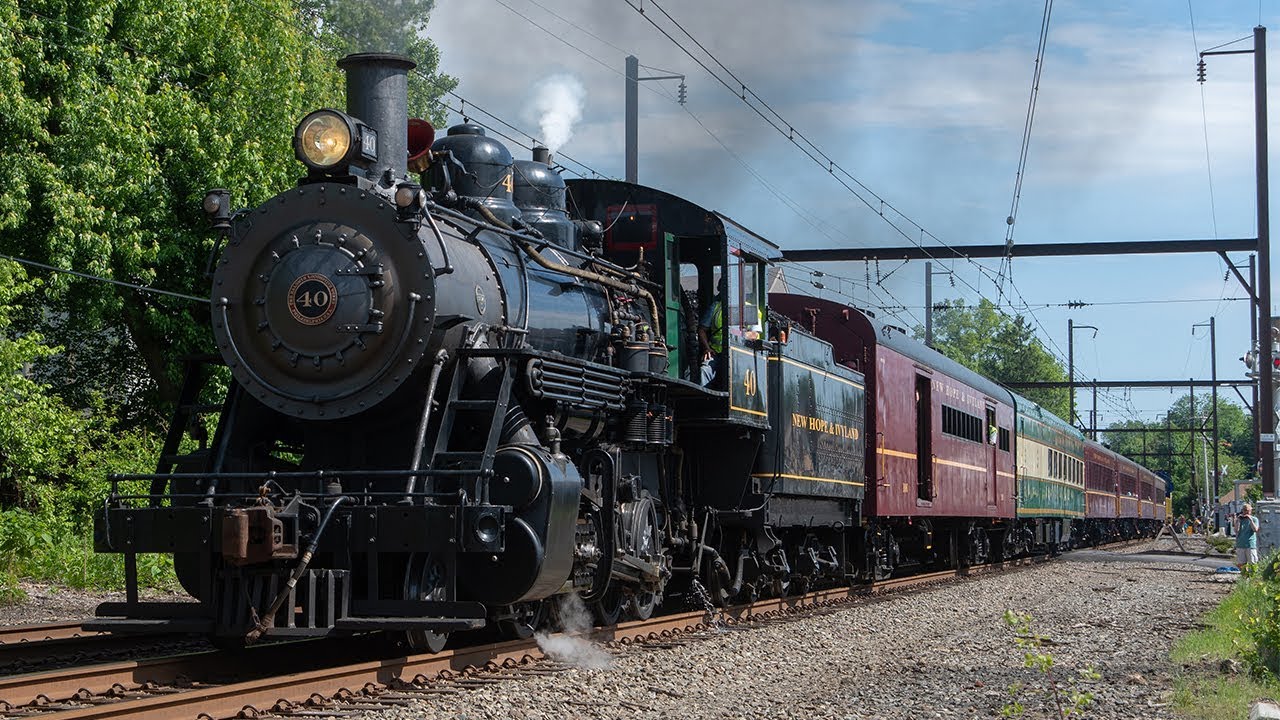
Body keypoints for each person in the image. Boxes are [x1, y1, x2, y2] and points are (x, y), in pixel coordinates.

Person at [698, 293, 724, 386]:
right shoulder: (716, 307)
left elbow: (754, 333)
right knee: (704, 370)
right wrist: (707, 348)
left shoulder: (748, 308)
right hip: (716, 354)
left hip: (738, 356)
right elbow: (702, 330)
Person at [1236, 503, 1260, 570]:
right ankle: (1244, 577)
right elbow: (1236, 530)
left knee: (1253, 563)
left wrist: (1250, 520)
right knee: (1241, 564)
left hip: (1250, 544)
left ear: (1250, 511)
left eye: (1247, 510)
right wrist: (1238, 520)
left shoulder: (1255, 519)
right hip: (1240, 544)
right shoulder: (1240, 520)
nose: (1245, 512)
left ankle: (1252, 578)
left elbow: (1255, 529)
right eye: (1244, 510)